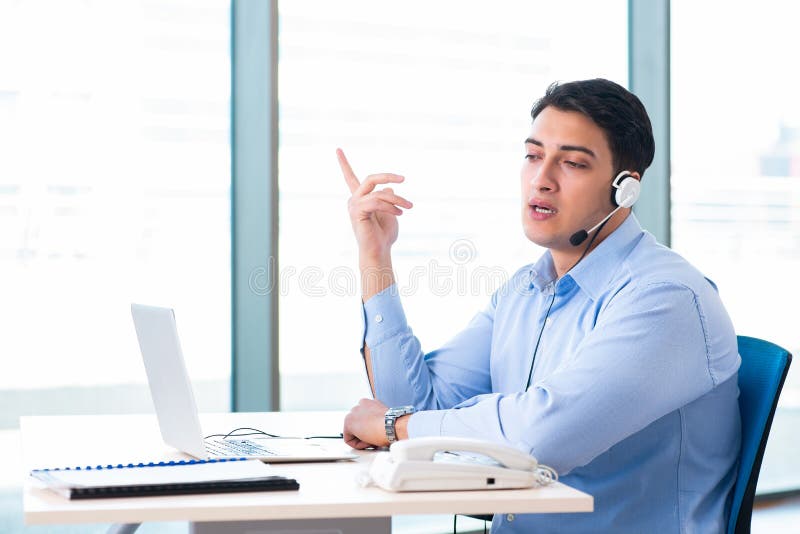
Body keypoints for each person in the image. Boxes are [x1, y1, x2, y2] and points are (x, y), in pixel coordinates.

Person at [337, 78, 740, 533]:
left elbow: (537, 437)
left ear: (625, 188)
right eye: (533, 156)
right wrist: (375, 256)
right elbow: (409, 404)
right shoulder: (526, 290)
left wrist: (394, 427)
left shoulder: (664, 299)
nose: (541, 179)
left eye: (571, 163)